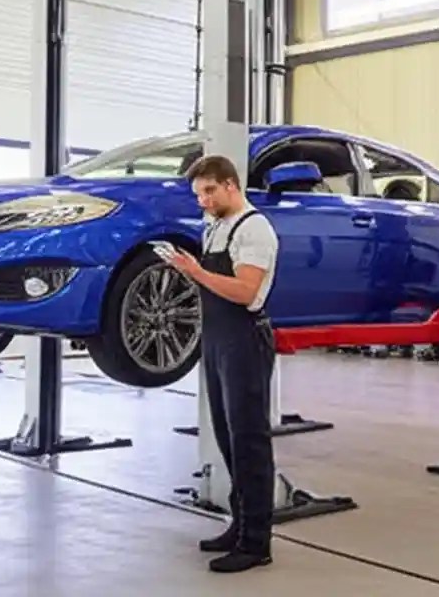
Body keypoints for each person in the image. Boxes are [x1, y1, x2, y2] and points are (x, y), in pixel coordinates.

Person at [165, 153, 279, 574]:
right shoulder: (216, 226)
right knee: (228, 436)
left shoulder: (255, 229)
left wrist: (196, 272)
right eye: (198, 195)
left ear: (231, 185)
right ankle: (240, 523)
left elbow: (247, 291)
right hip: (217, 339)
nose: (203, 201)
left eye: (209, 191)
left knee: (249, 437)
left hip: (245, 338)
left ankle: (256, 541)